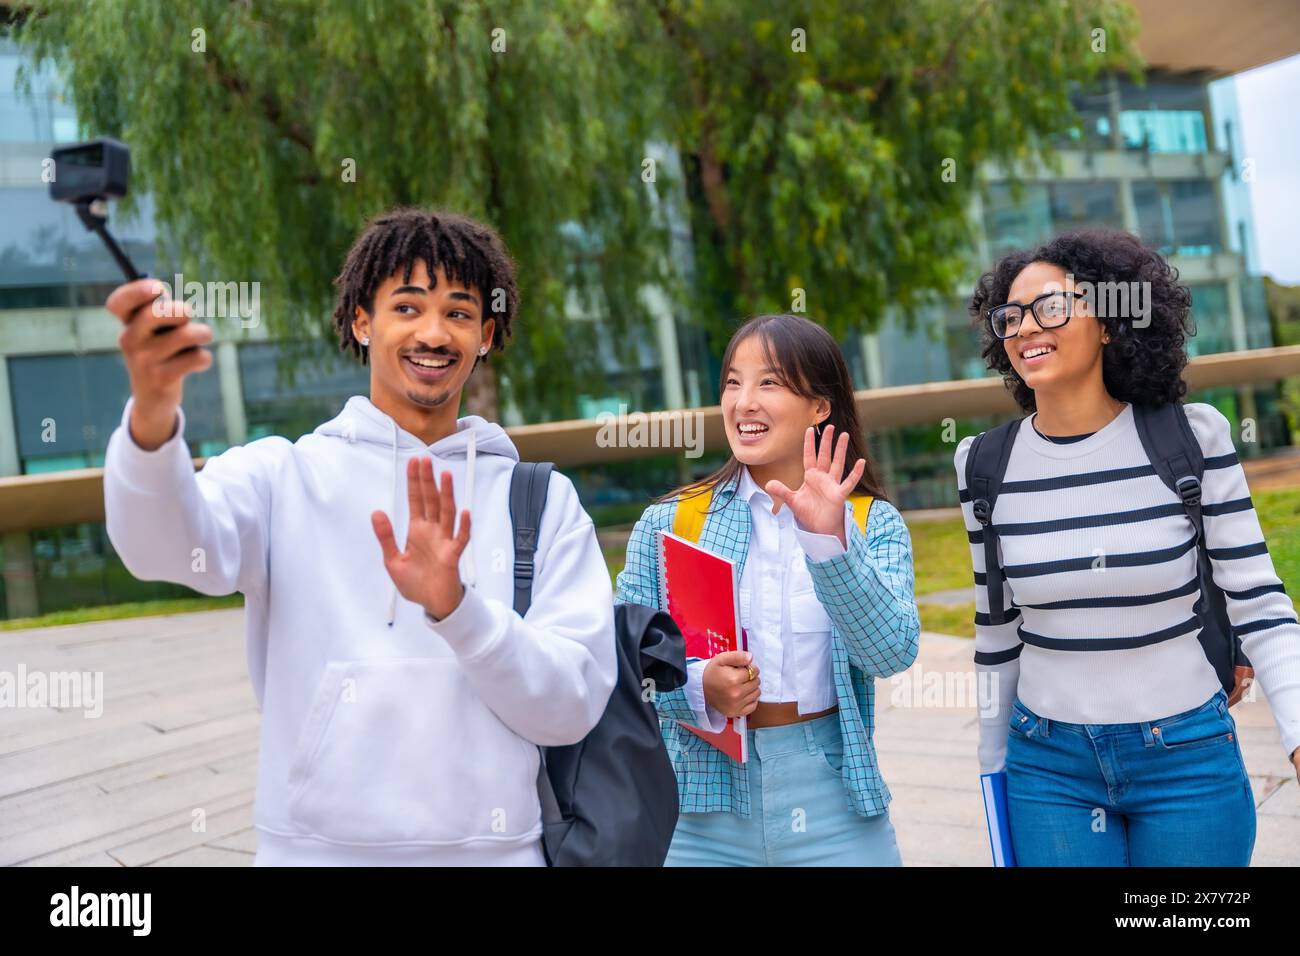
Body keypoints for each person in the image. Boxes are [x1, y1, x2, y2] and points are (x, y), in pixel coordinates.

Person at [102, 208, 616, 865]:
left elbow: (571, 706)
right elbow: (159, 548)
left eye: (459, 313)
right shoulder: (284, 476)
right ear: (361, 321)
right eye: (407, 306)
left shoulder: (541, 503)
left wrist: (459, 613)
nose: (433, 332)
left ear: (486, 335)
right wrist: (152, 411)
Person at [955, 228, 1300, 866]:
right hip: (1049, 771)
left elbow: (1259, 602)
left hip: (1187, 761)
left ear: (1111, 322)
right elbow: (996, 634)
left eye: (1052, 307)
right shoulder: (982, 465)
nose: (1027, 326)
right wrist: (992, 774)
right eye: (1011, 315)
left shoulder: (1192, 437)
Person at [616, 313, 920, 866]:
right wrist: (694, 685)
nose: (744, 402)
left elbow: (891, 652)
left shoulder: (870, 523)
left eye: (770, 382)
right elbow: (616, 660)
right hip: (698, 809)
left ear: (821, 406)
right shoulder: (669, 524)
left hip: (835, 798)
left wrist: (828, 543)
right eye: (733, 382)